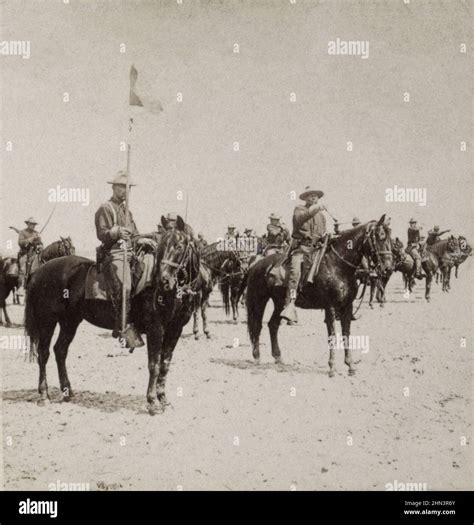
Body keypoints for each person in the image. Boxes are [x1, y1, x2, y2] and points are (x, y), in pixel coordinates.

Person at [95, 170, 157, 347]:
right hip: (114, 253)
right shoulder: (105, 208)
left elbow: (134, 235)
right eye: (122, 187)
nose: (125, 191)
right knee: (126, 286)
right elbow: (102, 233)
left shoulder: (127, 212)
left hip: (130, 254)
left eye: (128, 188)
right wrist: (116, 232)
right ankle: (122, 327)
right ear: (114, 187)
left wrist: (143, 239)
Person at [280, 186, 327, 323]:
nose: (314, 198)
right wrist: (316, 209)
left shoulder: (322, 217)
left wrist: (325, 238)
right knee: (294, 276)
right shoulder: (299, 210)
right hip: (301, 249)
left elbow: (323, 233)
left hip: (317, 250)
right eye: (310, 195)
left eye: (316, 196)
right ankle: (289, 306)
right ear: (305, 198)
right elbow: (302, 218)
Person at [17, 217, 43, 296]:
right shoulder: (22, 232)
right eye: (31, 224)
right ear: (28, 224)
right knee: (22, 269)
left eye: (34, 224)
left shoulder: (37, 233)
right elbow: (20, 242)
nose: (33, 226)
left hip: (34, 254)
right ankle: (21, 287)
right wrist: (31, 238)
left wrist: (40, 245)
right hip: (25, 253)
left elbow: (40, 243)